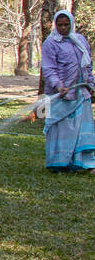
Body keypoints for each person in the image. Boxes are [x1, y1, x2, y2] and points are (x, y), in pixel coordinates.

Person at [39, 9, 95, 173]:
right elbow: (49, 68)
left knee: (82, 128)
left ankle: (86, 163)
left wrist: (90, 84)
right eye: (60, 25)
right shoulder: (50, 43)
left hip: (81, 92)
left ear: (72, 24)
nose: (63, 28)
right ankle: (60, 163)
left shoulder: (80, 41)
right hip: (62, 94)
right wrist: (58, 85)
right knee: (62, 129)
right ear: (55, 25)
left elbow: (88, 65)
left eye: (66, 24)